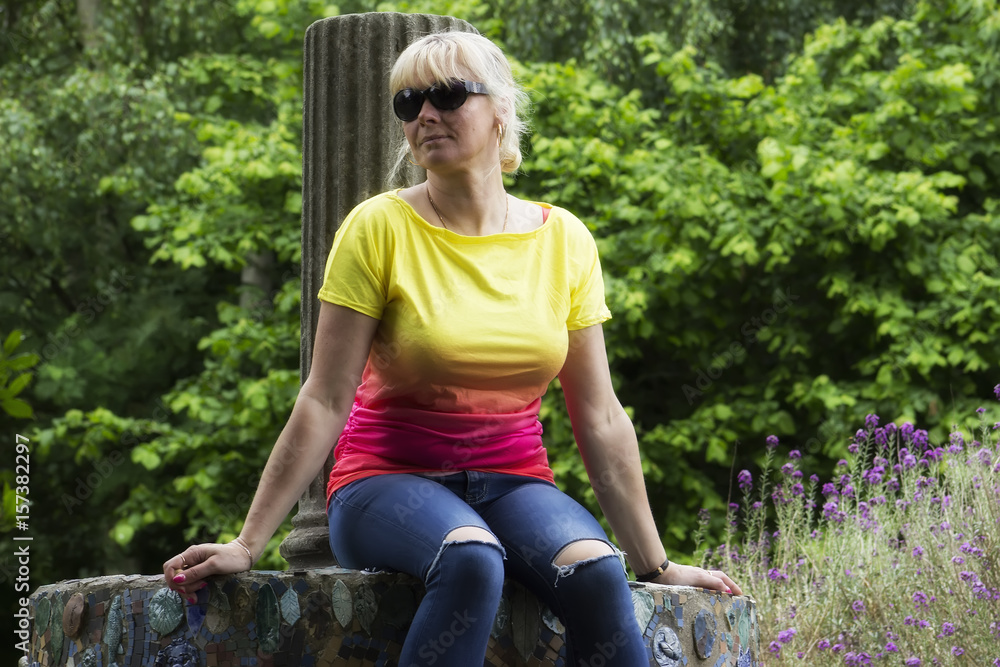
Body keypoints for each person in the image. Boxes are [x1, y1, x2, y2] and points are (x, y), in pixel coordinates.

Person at [163, 30, 742, 666]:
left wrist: (655, 565)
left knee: (598, 572)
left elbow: (601, 417)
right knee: (470, 557)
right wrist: (247, 543)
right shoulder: (378, 228)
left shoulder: (565, 241)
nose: (425, 114)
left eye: (447, 95)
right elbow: (324, 398)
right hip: (384, 484)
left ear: (501, 111)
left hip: (513, 483)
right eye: (408, 102)